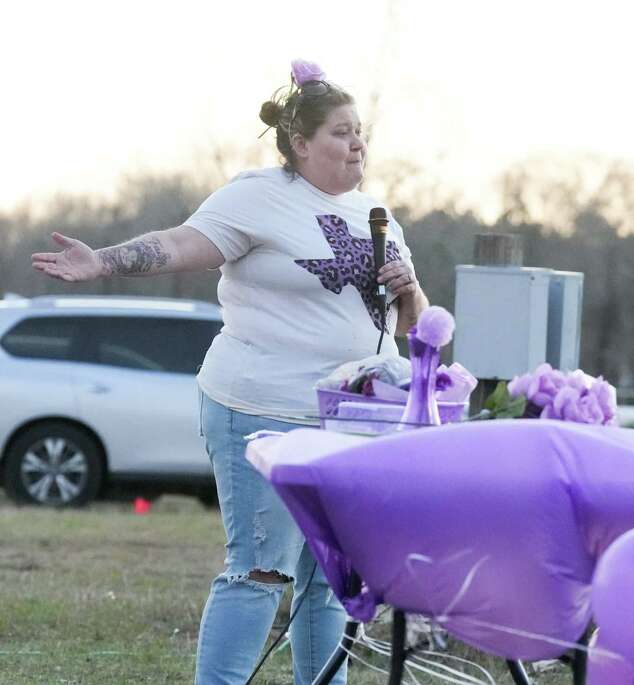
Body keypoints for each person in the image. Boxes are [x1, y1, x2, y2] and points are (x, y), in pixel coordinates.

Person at [32, 59, 428, 684]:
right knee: (260, 570)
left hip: (347, 418)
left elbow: (408, 325)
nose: (358, 142)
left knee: (331, 579)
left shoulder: (376, 213)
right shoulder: (259, 196)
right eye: (341, 131)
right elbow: (181, 244)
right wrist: (102, 261)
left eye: (361, 132)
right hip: (259, 406)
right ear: (300, 143)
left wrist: (410, 292)